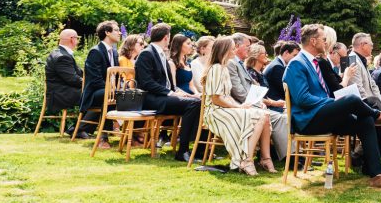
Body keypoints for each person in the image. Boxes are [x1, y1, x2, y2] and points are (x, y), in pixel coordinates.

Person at [282, 23, 381, 190]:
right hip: (308, 120)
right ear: (313, 41)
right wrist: (334, 102)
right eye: (324, 39)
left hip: (321, 115)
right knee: (352, 99)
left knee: (365, 120)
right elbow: (303, 99)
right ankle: (380, 116)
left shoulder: (315, 62)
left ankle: (377, 175)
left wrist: (334, 101)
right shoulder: (297, 64)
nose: (326, 43)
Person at [202, 37, 275, 175]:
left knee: (264, 115)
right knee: (258, 116)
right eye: (233, 48)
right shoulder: (216, 68)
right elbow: (216, 99)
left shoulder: (223, 68)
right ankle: (247, 160)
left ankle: (266, 158)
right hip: (215, 111)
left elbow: (227, 96)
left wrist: (242, 106)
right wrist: (238, 107)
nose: (235, 50)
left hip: (225, 108)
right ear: (225, 50)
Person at [134, 23, 201, 161]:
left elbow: (169, 84)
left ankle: (196, 149)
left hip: (162, 96)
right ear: (166, 37)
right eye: (169, 37)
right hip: (150, 98)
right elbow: (147, 83)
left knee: (198, 101)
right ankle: (183, 151)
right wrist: (170, 93)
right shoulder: (146, 54)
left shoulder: (161, 54)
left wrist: (182, 93)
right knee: (194, 104)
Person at [226, 33, 288, 160]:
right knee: (279, 117)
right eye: (247, 46)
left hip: (253, 103)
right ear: (237, 46)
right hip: (243, 106)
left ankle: (280, 156)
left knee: (281, 116)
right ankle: (287, 157)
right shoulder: (232, 63)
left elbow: (252, 88)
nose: (249, 49)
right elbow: (239, 92)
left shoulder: (240, 63)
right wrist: (257, 103)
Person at [78, 21, 122, 144]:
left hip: (109, 91)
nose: (119, 33)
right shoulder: (95, 51)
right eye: (116, 30)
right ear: (107, 32)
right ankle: (103, 137)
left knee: (127, 94)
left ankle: (134, 134)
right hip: (94, 93)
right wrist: (112, 91)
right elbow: (95, 80)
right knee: (109, 94)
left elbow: (117, 76)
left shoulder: (114, 51)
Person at [44, 28, 83, 127]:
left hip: (65, 91)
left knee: (97, 94)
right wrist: (91, 84)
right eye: (77, 38)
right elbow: (73, 79)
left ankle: (81, 128)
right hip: (60, 94)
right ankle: (79, 129)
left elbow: (79, 73)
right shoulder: (62, 56)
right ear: (72, 39)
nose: (78, 41)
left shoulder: (61, 53)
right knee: (95, 96)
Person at [263, 40, 299, 112]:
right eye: (294, 55)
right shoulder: (277, 67)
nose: (296, 59)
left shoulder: (278, 64)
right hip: (276, 105)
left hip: (279, 102)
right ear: (286, 53)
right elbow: (286, 90)